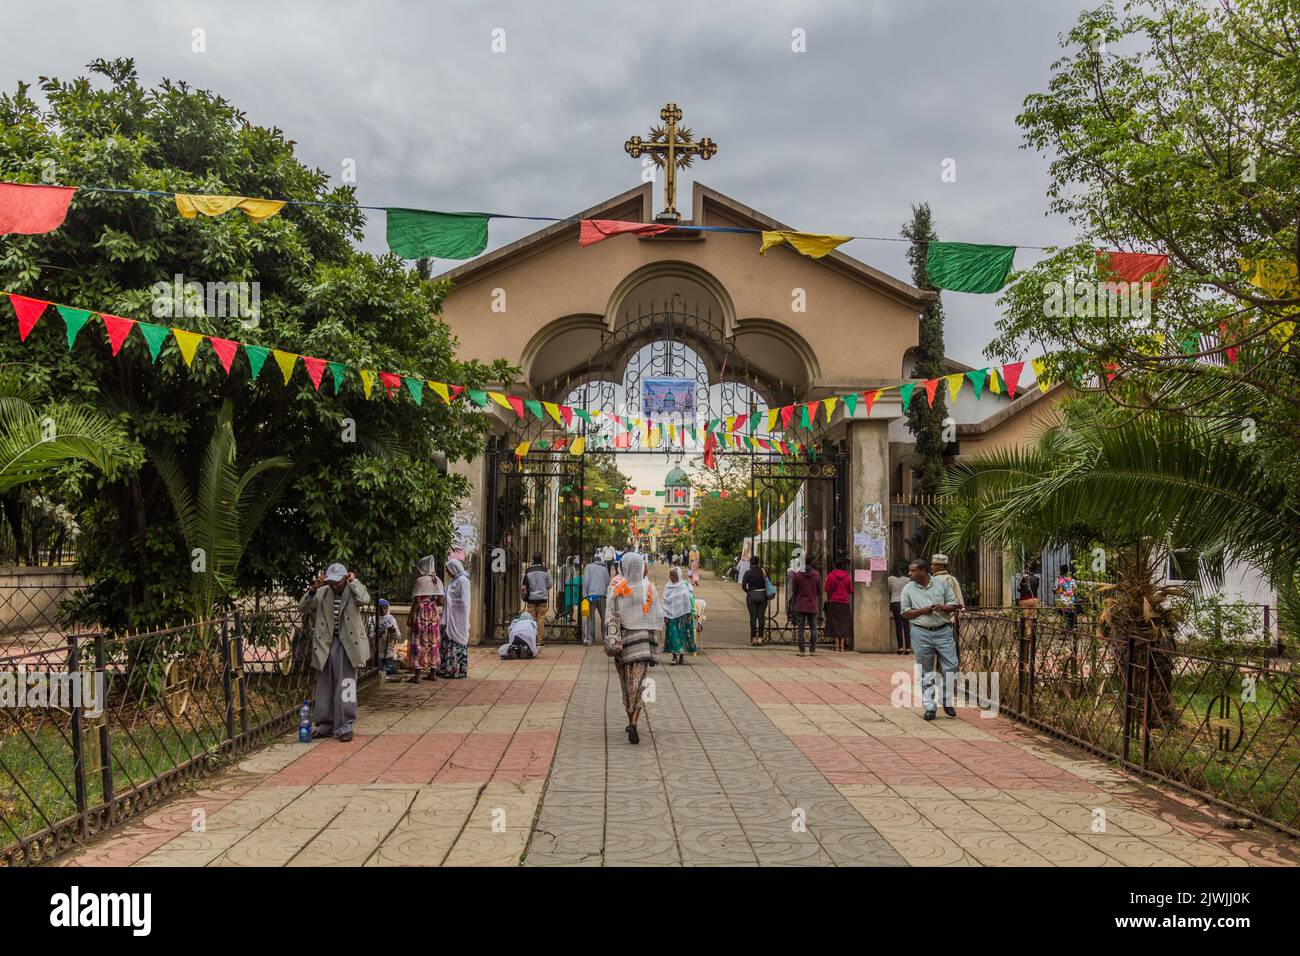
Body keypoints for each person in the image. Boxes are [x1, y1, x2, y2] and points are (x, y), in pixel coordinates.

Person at [300, 563, 370, 742]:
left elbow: (365, 598)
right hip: (326, 643)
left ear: (345, 579)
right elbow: (303, 607)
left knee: (346, 684)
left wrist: (355, 582)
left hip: (348, 644)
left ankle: (345, 725)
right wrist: (313, 590)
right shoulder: (323, 593)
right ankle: (325, 724)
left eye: (337, 582)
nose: (334, 586)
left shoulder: (352, 591)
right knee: (325, 685)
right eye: (331, 582)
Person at [605, 552, 663, 744]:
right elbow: (657, 618)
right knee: (639, 684)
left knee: (626, 684)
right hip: (643, 645)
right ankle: (635, 722)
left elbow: (609, 618)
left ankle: (630, 719)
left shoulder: (617, 589)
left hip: (623, 645)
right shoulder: (649, 588)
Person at [900, 559, 959, 720]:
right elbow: (905, 612)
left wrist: (942, 607)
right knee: (926, 671)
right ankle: (929, 706)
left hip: (943, 630)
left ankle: (946, 700)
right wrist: (922, 611)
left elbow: (953, 605)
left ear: (924, 571)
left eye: (913, 571)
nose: (909, 573)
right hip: (920, 632)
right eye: (910, 571)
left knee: (952, 666)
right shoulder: (908, 589)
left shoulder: (942, 584)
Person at [406, 555, 443, 683]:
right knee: (433, 641)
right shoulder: (437, 580)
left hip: (421, 613)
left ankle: (417, 674)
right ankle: (433, 672)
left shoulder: (420, 581)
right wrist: (431, 604)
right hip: (433, 613)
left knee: (418, 641)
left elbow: (416, 601)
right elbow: (440, 601)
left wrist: (410, 617)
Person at [438, 558, 470, 678]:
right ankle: (447, 669)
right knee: (448, 644)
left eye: (448, 570)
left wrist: (449, 600)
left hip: (458, 620)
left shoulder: (462, 581)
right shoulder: (455, 581)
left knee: (456, 645)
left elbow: (464, 601)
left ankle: (457, 670)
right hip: (450, 619)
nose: (447, 573)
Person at [662, 565, 696, 664]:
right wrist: (665, 614)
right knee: (673, 636)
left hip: (684, 615)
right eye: (670, 575)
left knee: (683, 636)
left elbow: (690, 599)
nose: (671, 578)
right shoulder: (667, 586)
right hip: (671, 615)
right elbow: (665, 601)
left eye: (673, 575)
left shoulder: (685, 585)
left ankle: (682, 657)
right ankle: (673, 657)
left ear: (679, 576)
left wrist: (691, 613)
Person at [791, 559, 823, 656]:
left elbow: (794, 590)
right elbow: (819, 590)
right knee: (813, 627)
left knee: (801, 628)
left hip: (801, 605)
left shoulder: (797, 575)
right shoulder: (817, 575)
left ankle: (802, 651)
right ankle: (812, 650)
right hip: (812, 605)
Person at [521, 553, 553, 646]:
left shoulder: (527, 571)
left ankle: (532, 639)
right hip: (542, 598)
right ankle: (539, 640)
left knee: (531, 619)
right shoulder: (546, 571)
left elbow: (523, 586)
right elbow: (550, 584)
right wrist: (543, 587)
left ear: (533, 559)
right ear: (541, 559)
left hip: (531, 599)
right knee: (541, 619)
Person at [824, 558, 853, 653]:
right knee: (844, 623)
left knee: (835, 623)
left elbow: (827, 588)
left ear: (835, 565)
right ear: (843, 566)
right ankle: (842, 646)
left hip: (834, 601)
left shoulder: (831, 576)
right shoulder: (847, 577)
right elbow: (850, 590)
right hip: (844, 601)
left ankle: (836, 645)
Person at [582, 550, 611, 646]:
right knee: (604, 617)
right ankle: (605, 638)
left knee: (590, 618)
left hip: (591, 596)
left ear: (593, 560)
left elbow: (586, 582)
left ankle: (590, 639)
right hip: (602, 596)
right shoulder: (605, 568)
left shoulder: (588, 567)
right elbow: (607, 582)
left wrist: (584, 595)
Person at [741, 556, 771, 646]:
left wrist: (749, 592)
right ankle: (760, 638)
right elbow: (768, 583)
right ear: (758, 563)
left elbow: (743, 586)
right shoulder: (763, 571)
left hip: (751, 596)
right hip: (762, 595)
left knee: (753, 617)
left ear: (750, 563)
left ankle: (753, 638)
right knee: (761, 617)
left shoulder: (748, 573)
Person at [369, 598, 401, 677]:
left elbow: (397, 637)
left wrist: (393, 631)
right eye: (380, 608)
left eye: (384, 608)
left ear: (387, 608)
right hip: (376, 655)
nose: (383, 610)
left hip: (389, 655)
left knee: (390, 674)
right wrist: (378, 634)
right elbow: (370, 636)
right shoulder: (372, 619)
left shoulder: (391, 619)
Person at [887, 564, 912, 654]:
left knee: (898, 625)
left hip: (895, 602)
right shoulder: (907, 580)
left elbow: (889, 590)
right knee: (906, 626)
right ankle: (908, 648)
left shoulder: (890, 579)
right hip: (905, 603)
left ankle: (900, 648)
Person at [1054, 563, 1078, 630]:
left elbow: (1055, 590)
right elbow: (1075, 591)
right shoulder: (1073, 580)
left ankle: (1064, 631)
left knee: (1063, 616)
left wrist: (1055, 591)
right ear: (1067, 571)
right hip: (1071, 601)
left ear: (1061, 571)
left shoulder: (1058, 580)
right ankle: (1071, 630)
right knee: (1071, 616)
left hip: (1062, 602)